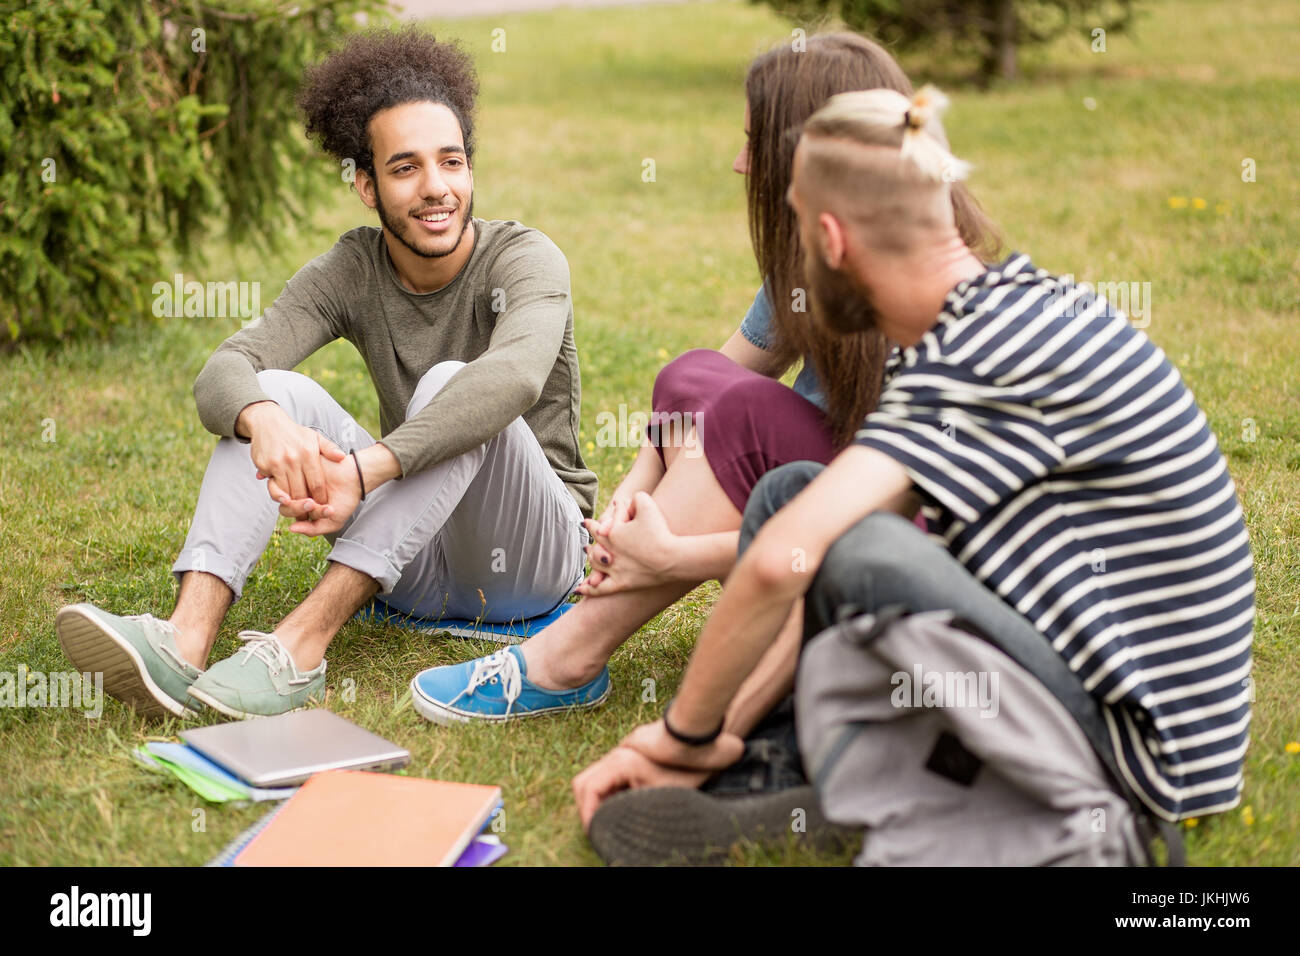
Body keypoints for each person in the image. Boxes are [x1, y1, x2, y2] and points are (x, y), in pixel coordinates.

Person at [572, 84, 1255, 841]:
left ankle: (819, 785)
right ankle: (781, 773)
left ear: (830, 240)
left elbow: (779, 566)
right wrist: (719, 734)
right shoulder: (1000, 310)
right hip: (1093, 686)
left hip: (1144, 761)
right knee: (796, 494)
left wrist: (681, 735)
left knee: (847, 540)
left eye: (796, 227)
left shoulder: (975, 355)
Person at [408, 33, 1001, 738]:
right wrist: (636, 492)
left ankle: (566, 659)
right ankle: (596, 606)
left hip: (868, 556)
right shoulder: (819, 267)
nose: (738, 162)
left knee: (744, 415)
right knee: (693, 374)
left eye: (753, 143)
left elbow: (880, 533)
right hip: (796, 503)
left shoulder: (937, 325)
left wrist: (669, 557)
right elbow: (705, 385)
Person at [55, 26, 596, 720]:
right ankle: (183, 640)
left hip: (529, 564)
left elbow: (515, 378)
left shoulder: (527, 258)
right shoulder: (353, 269)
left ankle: (299, 648)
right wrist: (264, 419)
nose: (437, 189)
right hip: (414, 566)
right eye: (405, 169)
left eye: (452, 162)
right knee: (271, 391)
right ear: (366, 186)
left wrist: (363, 470)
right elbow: (224, 371)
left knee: (452, 384)